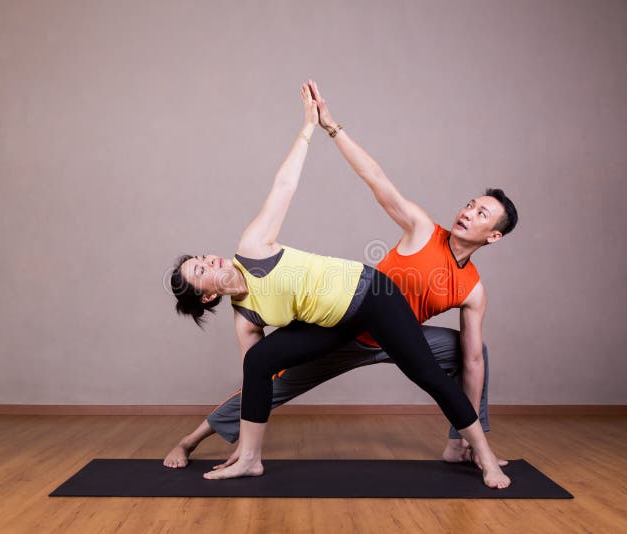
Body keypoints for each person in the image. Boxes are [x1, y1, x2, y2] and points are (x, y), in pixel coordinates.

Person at [165, 80, 518, 473]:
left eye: (481, 213)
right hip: (343, 327)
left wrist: (309, 130)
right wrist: (329, 127)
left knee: (462, 358)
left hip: (390, 323)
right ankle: (207, 444)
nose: (468, 213)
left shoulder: (474, 289)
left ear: (494, 235)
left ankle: (470, 447)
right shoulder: (423, 229)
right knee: (265, 371)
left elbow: (470, 360)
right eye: (470, 205)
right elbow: (376, 178)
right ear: (208, 296)